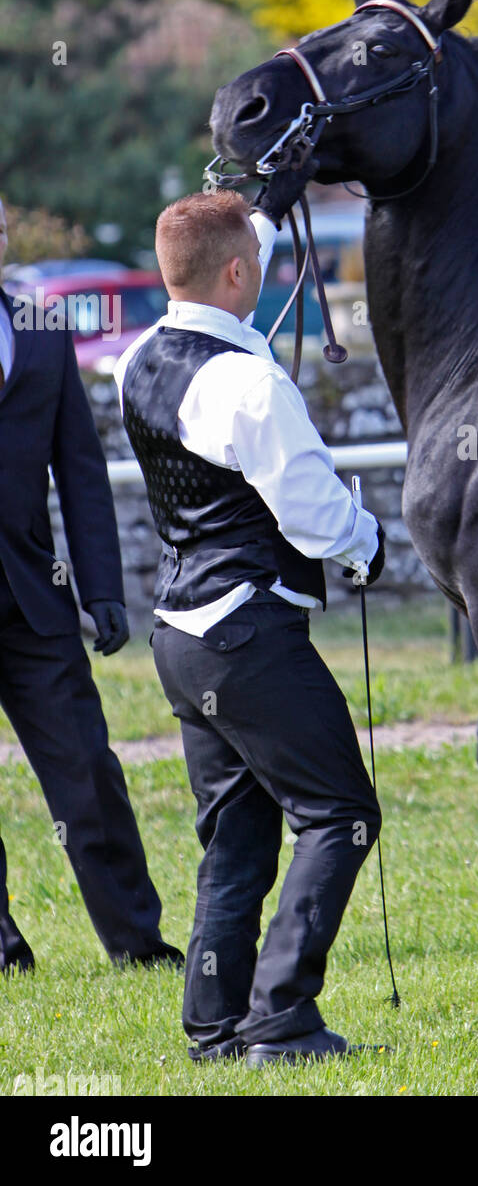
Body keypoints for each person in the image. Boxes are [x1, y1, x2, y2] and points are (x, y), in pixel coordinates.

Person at [113, 171, 385, 1067]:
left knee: (236, 837)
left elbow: (232, 245)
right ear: (237, 278)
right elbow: (307, 509)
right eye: (255, 261)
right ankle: (280, 1019)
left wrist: (269, 194)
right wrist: (365, 544)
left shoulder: (140, 357)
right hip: (246, 635)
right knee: (340, 811)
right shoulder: (248, 385)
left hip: (181, 636)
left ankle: (213, 1026)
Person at [0, 195, 183, 973]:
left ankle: (136, 942)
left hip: (32, 599)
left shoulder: (40, 327)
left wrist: (102, 586)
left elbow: (78, 465)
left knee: (87, 771)